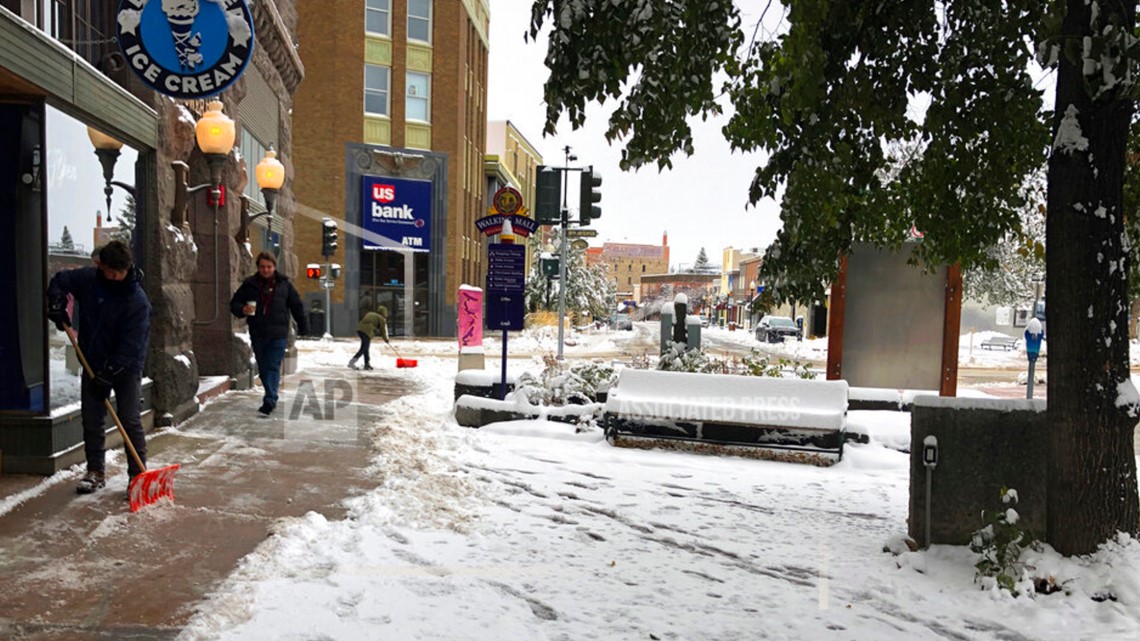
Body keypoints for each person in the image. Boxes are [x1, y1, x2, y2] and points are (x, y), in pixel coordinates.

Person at [46, 240, 151, 494]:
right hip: (92, 359)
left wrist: (109, 374)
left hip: (126, 367)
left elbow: (131, 347)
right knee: (92, 418)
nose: (116, 278)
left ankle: (138, 476)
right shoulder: (88, 279)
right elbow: (59, 281)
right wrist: (57, 303)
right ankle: (95, 471)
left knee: (129, 418)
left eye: (120, 273)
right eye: (111, 272)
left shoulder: (136, 301)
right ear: (100, 265)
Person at [230, 252, 308, 415]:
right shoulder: (250, 284)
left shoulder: (284, 285)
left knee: (272, 365)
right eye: (262, 267)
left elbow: (297, 306)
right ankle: (270, 394)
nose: (266, 270)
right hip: (258, 332)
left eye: (269, 267)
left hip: (278, 333)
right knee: (263, 366)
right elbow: (234, 303)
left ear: (274, 267)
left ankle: (270, 398)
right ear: (258, 267)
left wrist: (303, 326)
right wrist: (242, 309)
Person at [349, 305, 389, 370]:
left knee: (366, 348)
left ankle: (367, 364)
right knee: (364, 348)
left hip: (360, 330)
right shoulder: (381, 318)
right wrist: (386, 340)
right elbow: (383, 331)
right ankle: (352, 362)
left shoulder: (370, 313)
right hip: (367, 332)